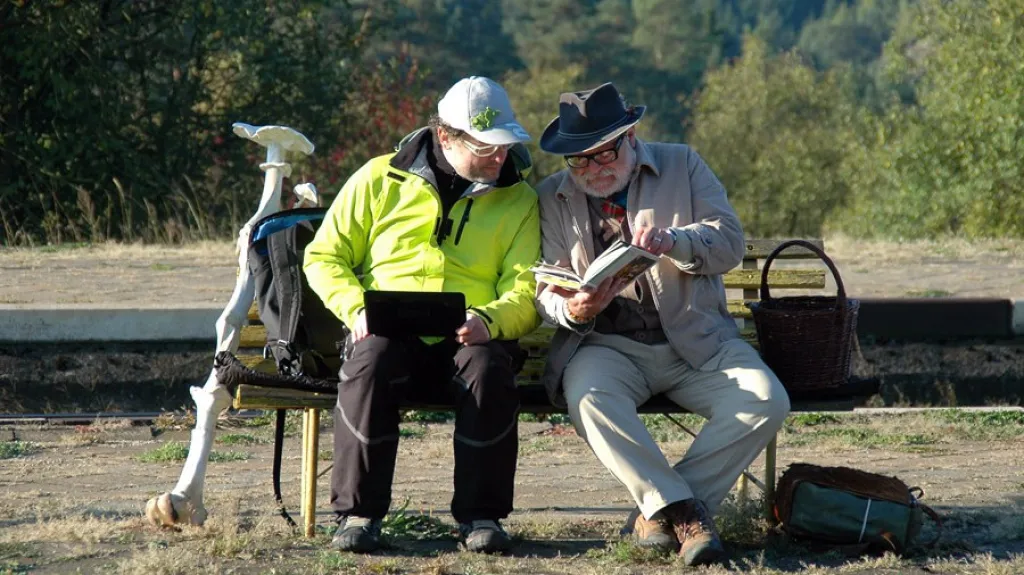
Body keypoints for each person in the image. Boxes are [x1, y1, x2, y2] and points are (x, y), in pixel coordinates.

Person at [533, 82, 790, 566]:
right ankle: (687, 516)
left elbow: (729, 242)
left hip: (696, 338)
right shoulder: (552, 194)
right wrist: (572, 310)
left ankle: (657, 513)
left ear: (630, 136)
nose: (594, 168)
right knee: (587, 399)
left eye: (604, 154)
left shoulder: (683, 163)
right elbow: (545, 284)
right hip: (605, 346)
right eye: (580, 160)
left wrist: (675, 241)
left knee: (766, 399)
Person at [304, 76, 541, 554]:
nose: (500, 157)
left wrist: (488, 322)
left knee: (489, 365)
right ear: (446, 136)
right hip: (386, 337)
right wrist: (356, 310)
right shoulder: (376, 178)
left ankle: (482, 517)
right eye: (487, 146)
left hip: (471, 338)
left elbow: (526, 289)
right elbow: (322, 257)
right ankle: (358, 516)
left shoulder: (520, 199)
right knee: (370, 359)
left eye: (505, 144)